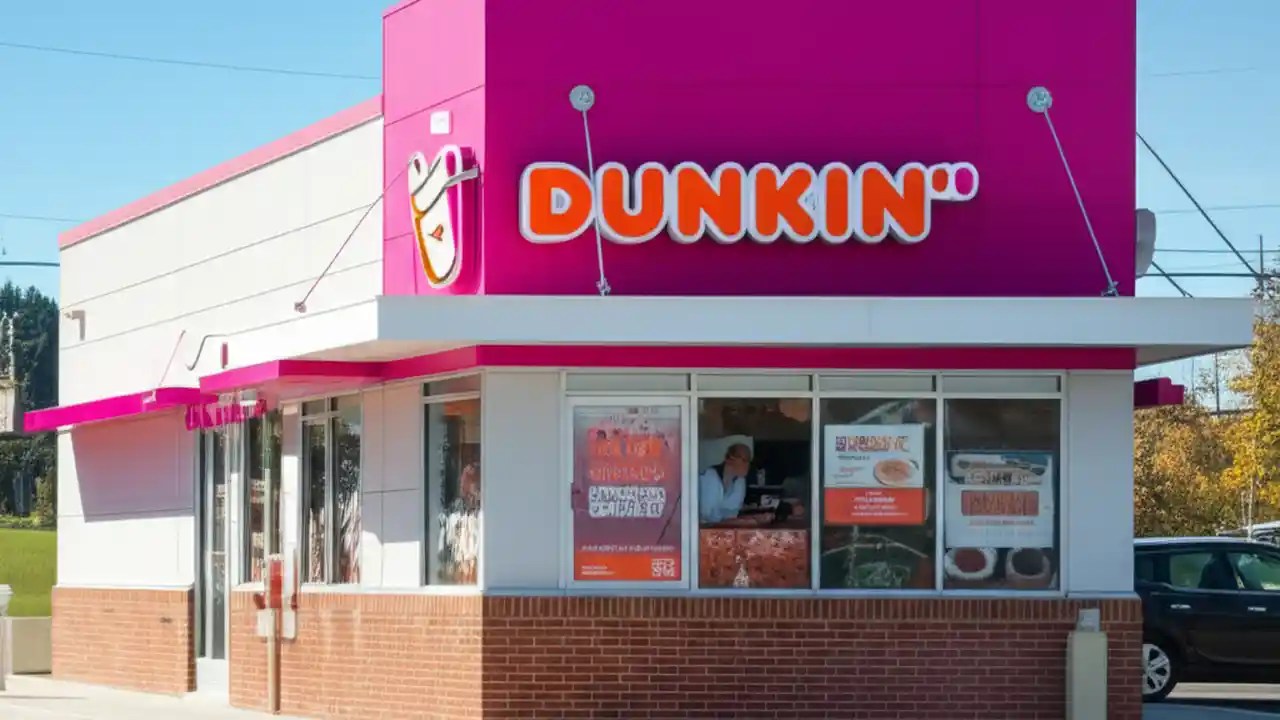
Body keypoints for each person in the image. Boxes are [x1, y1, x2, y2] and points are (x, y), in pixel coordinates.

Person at [699, 443, 750, 523]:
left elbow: (735, 511)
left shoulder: (740, 481)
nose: (747, 465)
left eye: (749, 461)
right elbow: (707, 514)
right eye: (744, 460)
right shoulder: (710, 476)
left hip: (727, 529)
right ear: (730, 459)